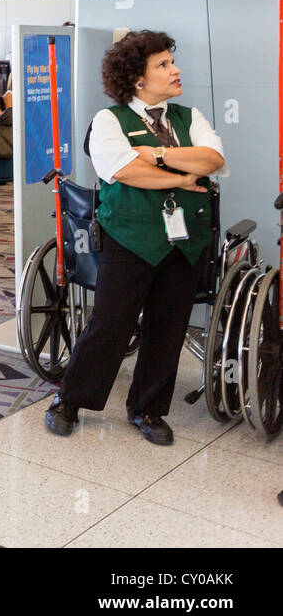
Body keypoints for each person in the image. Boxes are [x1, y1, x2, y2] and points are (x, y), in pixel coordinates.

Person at [44, 30, 226, 445]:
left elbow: (213, 158)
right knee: (109, 325)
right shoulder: (109, 121)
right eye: (162, 64)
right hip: (129, 239)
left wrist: (156, 154)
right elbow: (125, 171)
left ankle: (146, 408)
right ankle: (69, 400)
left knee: (168, 327)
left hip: (185, 242)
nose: (175, 69)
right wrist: (183, 175)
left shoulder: (189, 117)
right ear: (137, 79)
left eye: (171, 61)